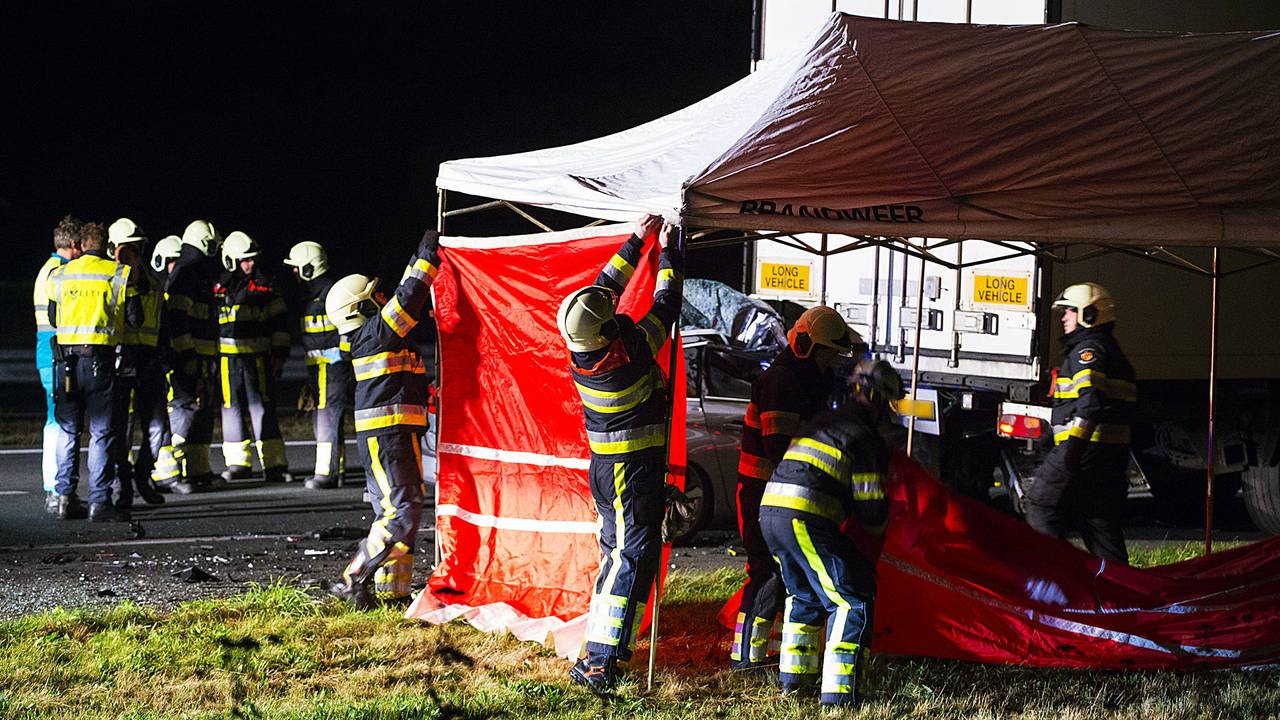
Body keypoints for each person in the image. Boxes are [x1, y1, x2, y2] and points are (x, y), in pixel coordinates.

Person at [556, 213, 682, 694]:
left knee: (627, 555)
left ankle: (610, 648)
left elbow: (599, 293)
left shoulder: (584, 346)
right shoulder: (630, 352)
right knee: (627, 557)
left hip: (611, 470)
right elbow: (666, 304)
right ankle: (599, 661)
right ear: (608, 328)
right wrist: (669, 251)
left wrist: (639, 239)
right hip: (630, 473)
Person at [759, 359, 899, 709]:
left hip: (770, 512)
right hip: (805, 517)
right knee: (851, 599)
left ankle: (794, 682)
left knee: (805, 596)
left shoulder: (823, 421)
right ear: (881, 400)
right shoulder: (866, 438)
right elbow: (871, 512)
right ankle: (838, 696)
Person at [731, 305, 862, 670]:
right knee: (765, 571)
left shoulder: (807, 379)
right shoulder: (782, 382)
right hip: (760, 492)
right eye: (829, 353)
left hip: (779, 493)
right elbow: (779, 448)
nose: (832, 361)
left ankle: (769, 653)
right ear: (809, 346)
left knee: (786, 575)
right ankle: (745, 658)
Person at [326, 230, 439, 608]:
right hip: (389, 437)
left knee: (395, 512)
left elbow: (401, 298)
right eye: (376, 297)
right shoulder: (376, 335)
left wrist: (415, 259)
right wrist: (427, 256)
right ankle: (353, 577)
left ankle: (394, 593)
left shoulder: (376, 336)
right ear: (361, 308)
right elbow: (408, 299)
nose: (383, 298)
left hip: (393, 434)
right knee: (401, 512)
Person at [1025, 283, 1135, 564]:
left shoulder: (1088, 350)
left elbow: (1091, 404)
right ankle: (1118, 585)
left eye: (1070, 311)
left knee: (1041, 503)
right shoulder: (1108, 350)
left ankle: (1059, 573)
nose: (1064, 318)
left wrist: (1073, 447)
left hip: (1085, 452)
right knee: (1098, 522)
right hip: (1108, 456)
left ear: (1090, 314)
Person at [46, 221, 137, 521]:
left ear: (81, 245)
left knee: (68, 430)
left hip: (67, 364)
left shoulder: (60, 274)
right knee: (101, 432)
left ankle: (64, 498)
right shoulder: (117, 273)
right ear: (106, 246)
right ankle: (99, 502)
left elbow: (53, 317)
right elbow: (134, 317)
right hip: (100, 363)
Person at [216, 231, 291, 482]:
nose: (250, 264)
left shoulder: (264, 285)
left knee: (262, 409)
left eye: (252, 259)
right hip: (227, 360)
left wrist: (279, 355)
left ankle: (274, 464)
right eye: (244, 260)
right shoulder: (217, 287)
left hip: (258, 358)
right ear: (230, 260)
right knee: (231, 410)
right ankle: (238, 463)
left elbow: (280, 323)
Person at [105, 218, 166, 507]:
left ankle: (143, 473)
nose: (131, 254)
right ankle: (124, 484)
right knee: (122, 428)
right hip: (121, 359)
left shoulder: (153, 283)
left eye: (135, 248)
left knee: (158, 426)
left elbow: (161, 322)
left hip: (149, 360)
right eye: (125, 249)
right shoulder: (109, 281)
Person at [284, 240, 352, 490]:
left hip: (333, 367)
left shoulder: (332, 294)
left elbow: (348, 330)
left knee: (326, 418)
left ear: (310, 267)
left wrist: (341, 357)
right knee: (327, 418)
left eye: (297, 266)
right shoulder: (310, 295)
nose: (294, 271)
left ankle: (326, 474)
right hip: (318, 368)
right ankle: (338, 470)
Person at [161, 220, 223, 493]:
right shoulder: (186, 273)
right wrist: (186, 354)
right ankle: (167, 472)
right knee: (182, 411)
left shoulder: (197, 273)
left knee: (203, 413)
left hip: (203, 356)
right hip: (187, 356)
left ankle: (198, 470)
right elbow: (176, 318)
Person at [34, 215, 82, 513]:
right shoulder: (58, 272)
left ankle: (55, 489)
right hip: (56, 354)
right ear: (74, 244)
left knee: (56, 418)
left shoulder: (48, 269)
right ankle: (55, 489)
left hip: (49, 353)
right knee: (58, 421)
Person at [145, 235, 185, 489]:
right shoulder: (153, 288)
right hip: (145, 361)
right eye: (171, 262)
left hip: (162, 361)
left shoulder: (171, 290)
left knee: (163, 420)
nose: (175, 267)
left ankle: (167, 473)